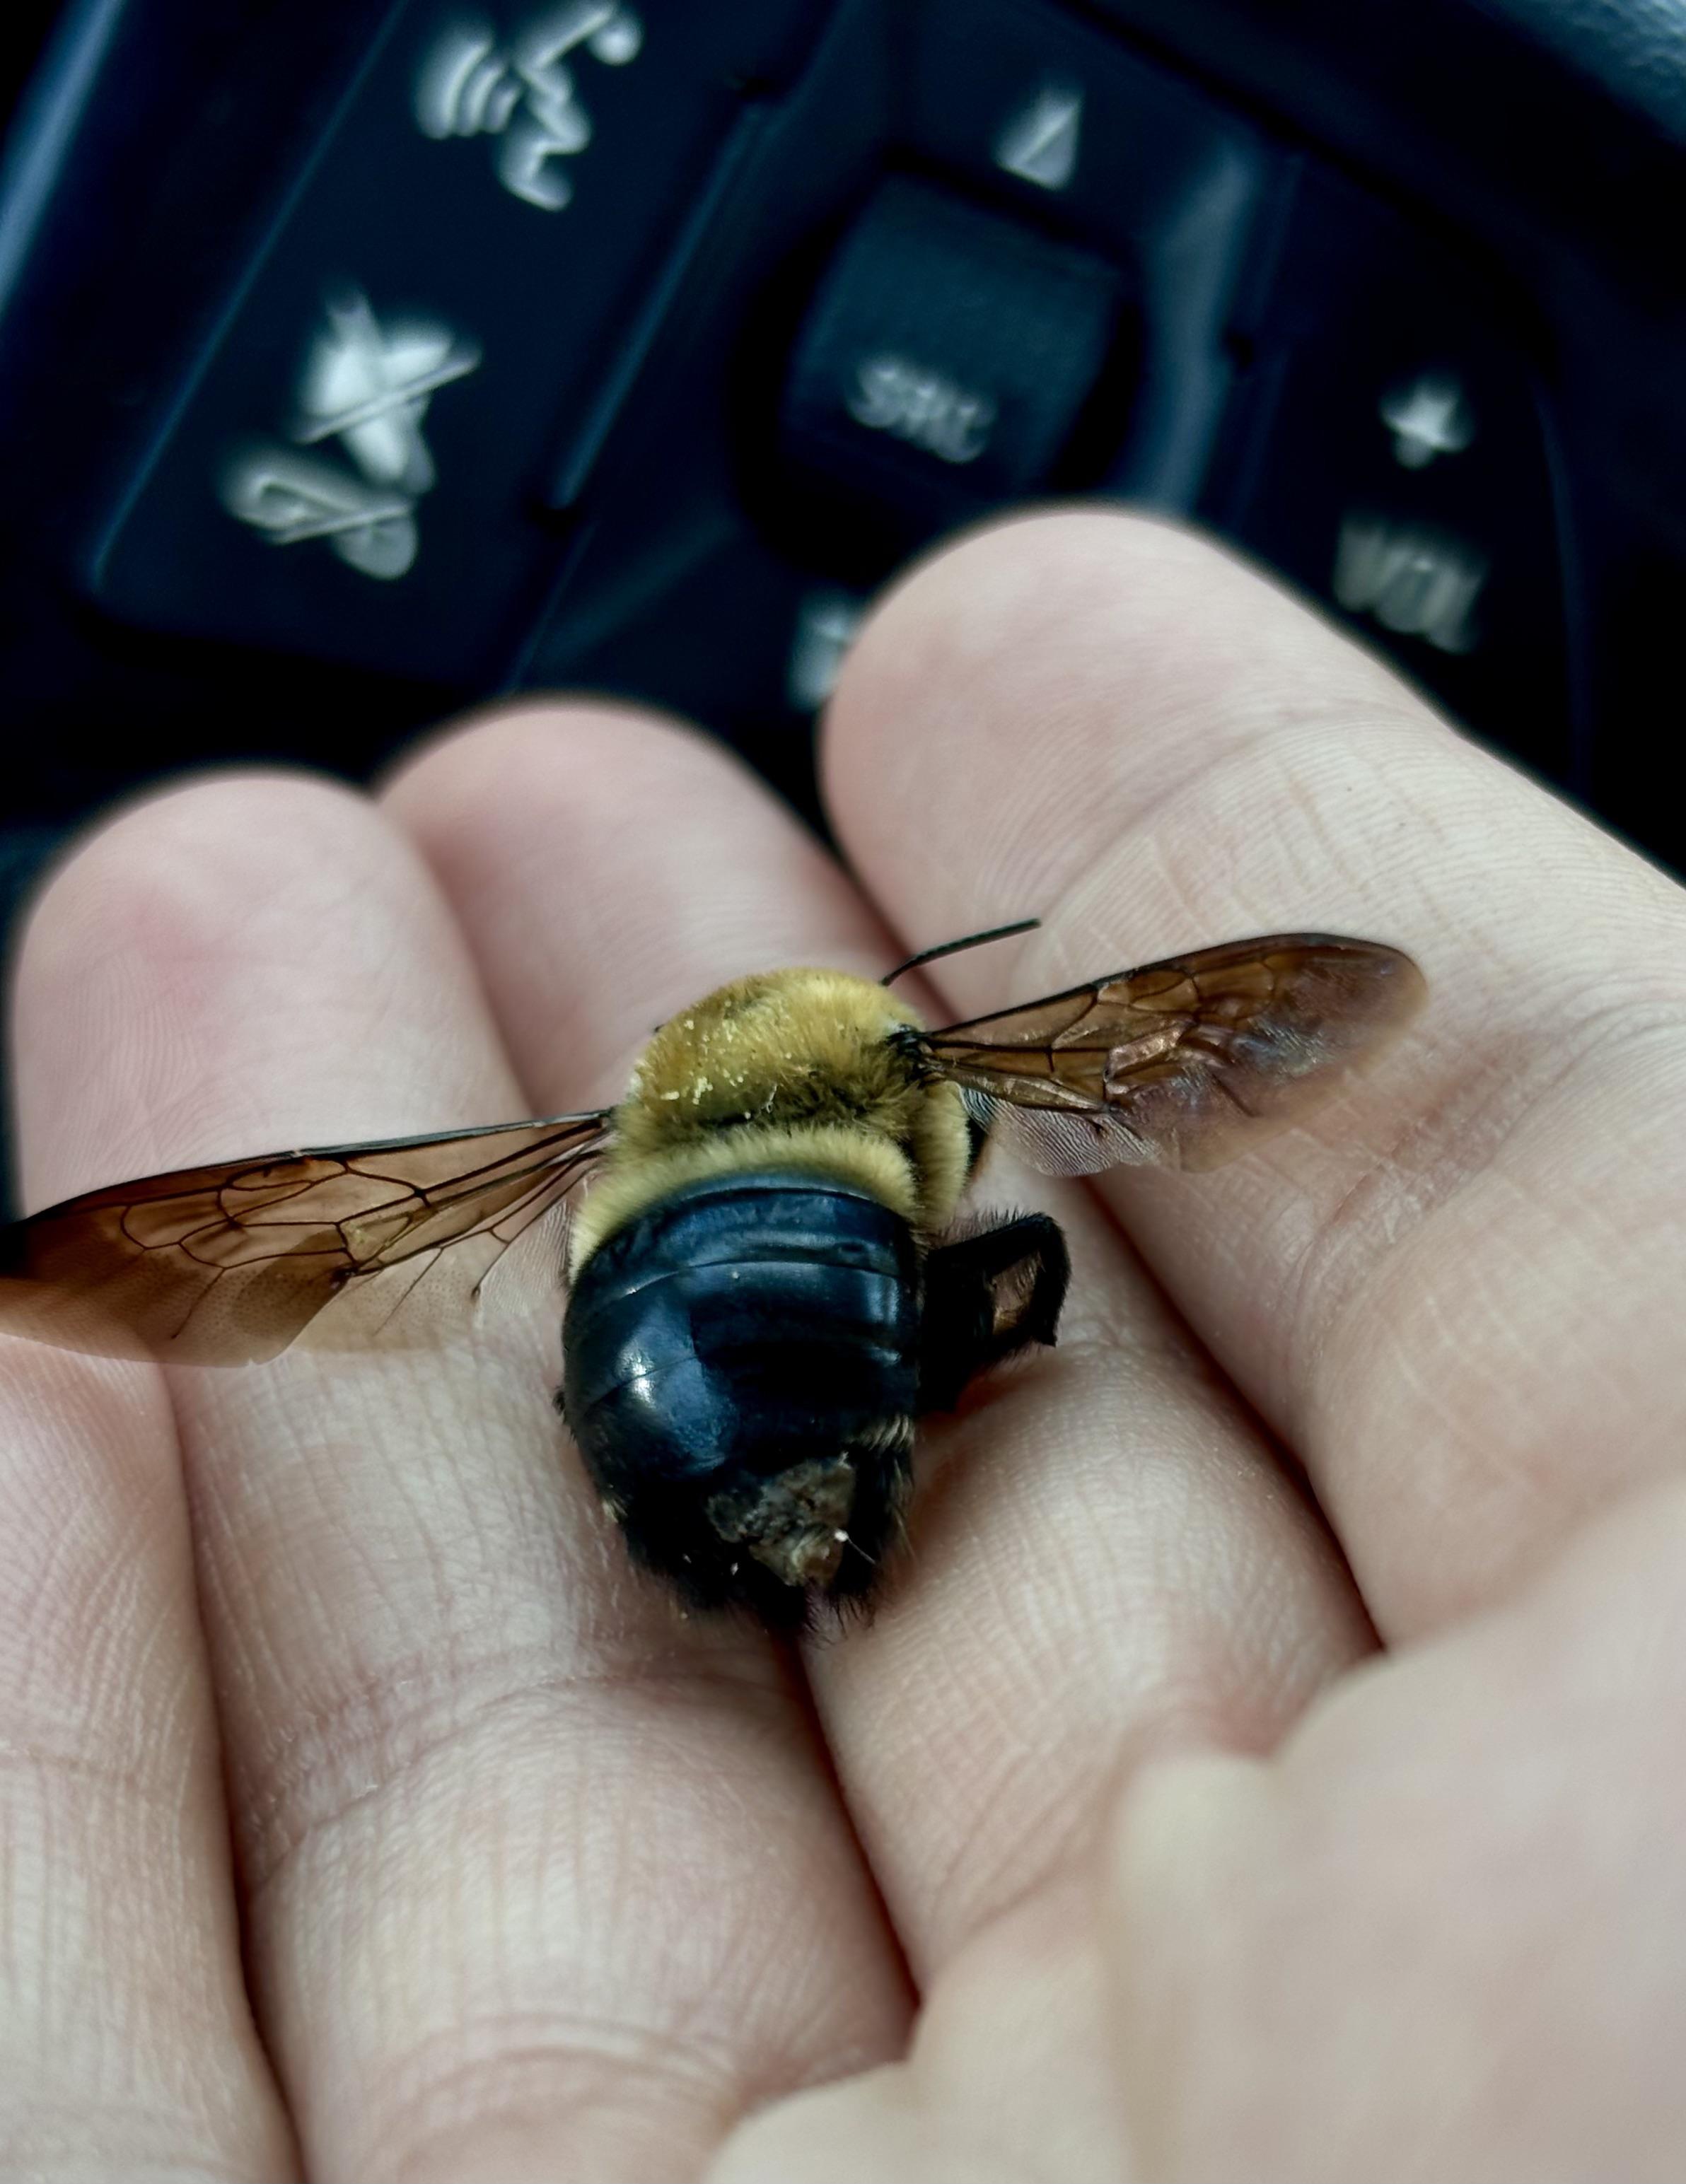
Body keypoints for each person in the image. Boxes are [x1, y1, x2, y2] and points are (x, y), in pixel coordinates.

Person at [2, 509, 1682, 2182]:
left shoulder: (583, 1142)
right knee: (1011, 1264)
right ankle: (887, 1414)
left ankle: (721, 1477)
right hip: (828, 1379)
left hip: (652, 1437)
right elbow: (983, 1177)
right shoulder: (927, 1065)